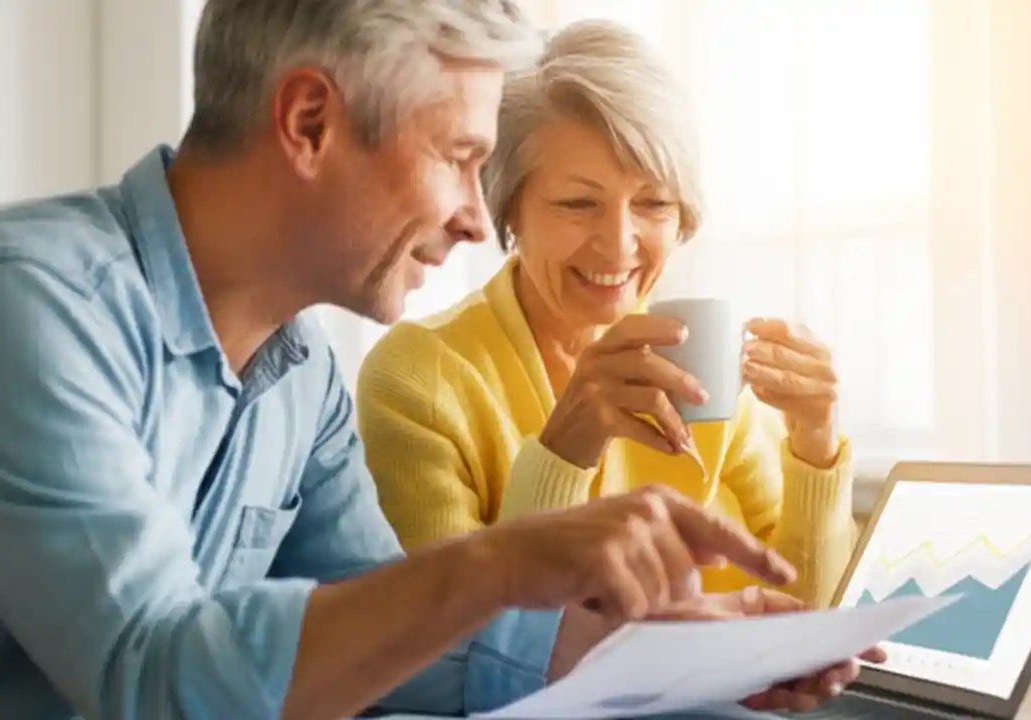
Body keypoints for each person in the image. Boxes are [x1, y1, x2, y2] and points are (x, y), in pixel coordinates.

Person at [0, 2, 880, 719]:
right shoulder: (22, 305)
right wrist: (500, 561)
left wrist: (677, 650)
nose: (468, 213)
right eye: (457, 156)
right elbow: (154, 681)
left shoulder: (298, 376)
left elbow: (403, 640)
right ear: (309, 122)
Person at [358, 19, 858, 608]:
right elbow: (450, 644)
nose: (620, 244)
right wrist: (563, 453)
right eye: (578, 203)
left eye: (652, 204)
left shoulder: (696, 359)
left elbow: (806, 614)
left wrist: (814, 443)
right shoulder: (417, 378)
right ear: (509, 207)